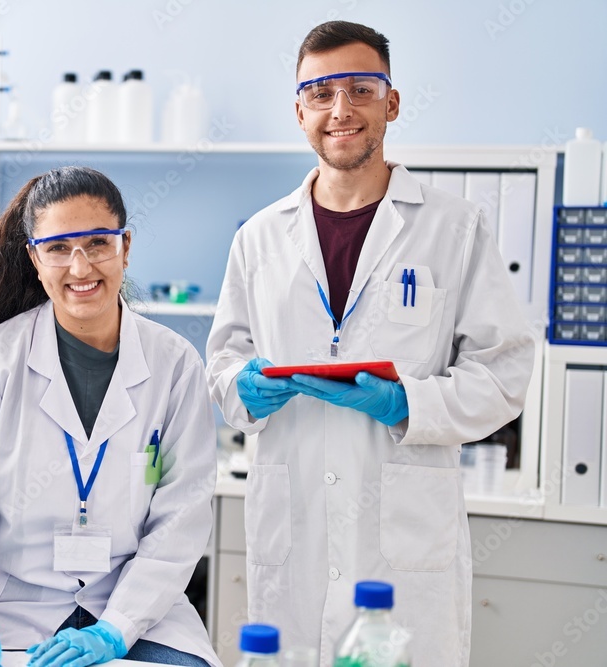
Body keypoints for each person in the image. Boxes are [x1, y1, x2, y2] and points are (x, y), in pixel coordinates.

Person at [205, 20, 535, 667]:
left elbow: (505, 372)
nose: (341, 109)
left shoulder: (454, 227)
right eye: (321, 92)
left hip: (403, 546)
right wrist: (241, 384)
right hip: (292, 530)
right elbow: (222, 362)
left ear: (392, 102)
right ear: (299, 110)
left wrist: (411, 403)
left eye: (361, 88)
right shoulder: (260, 237)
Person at [0, 166, 221, 667]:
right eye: (59, 248)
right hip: (10, 604)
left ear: (125, 248)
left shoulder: (174, 365)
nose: (80, 266)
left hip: (133, 607)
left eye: (97, 243)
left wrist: (117, 628)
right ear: (35, 259)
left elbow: (182, 519)